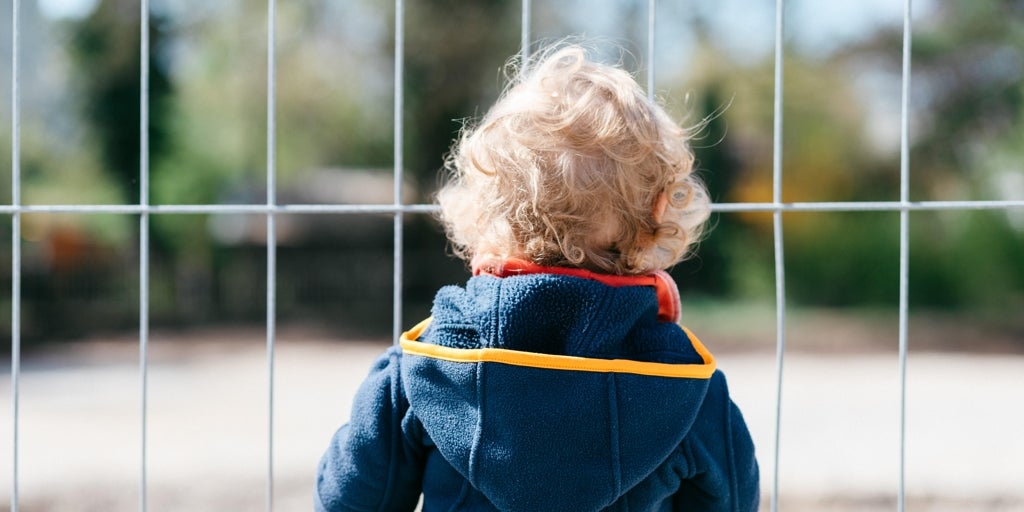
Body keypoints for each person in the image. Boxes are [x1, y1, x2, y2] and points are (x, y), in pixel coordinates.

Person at [316, 43, 760, 512]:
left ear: (483, 210)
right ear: (658, 212)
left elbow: (346, 500)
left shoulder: (420, 367)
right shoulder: (687, 388)